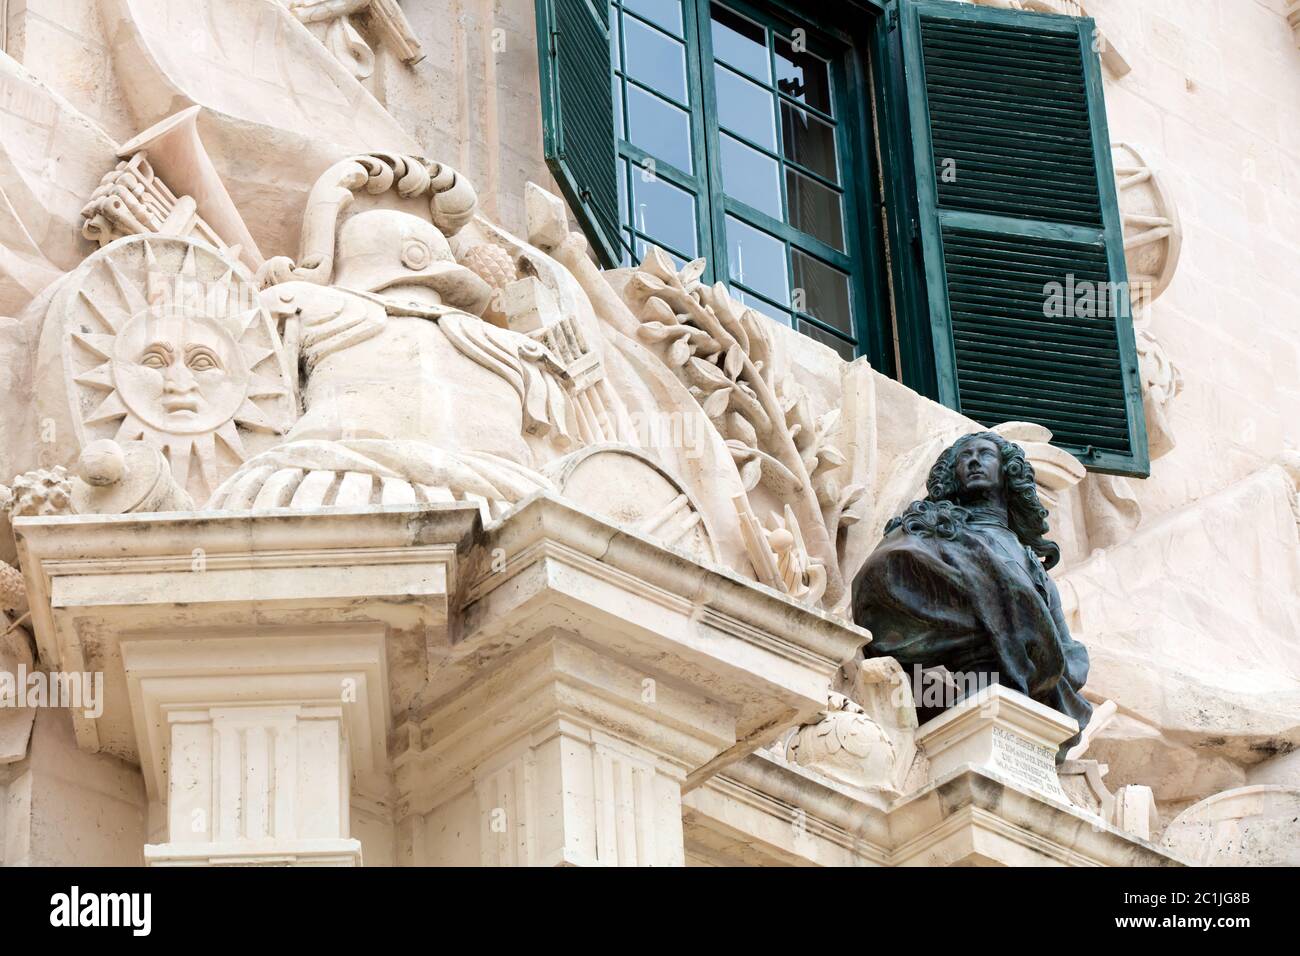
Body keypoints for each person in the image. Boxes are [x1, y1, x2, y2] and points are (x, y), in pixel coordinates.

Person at [851, 431, 1091, 757]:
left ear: (1009, 472)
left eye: (985, 454)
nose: (974, 461)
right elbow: (880, 575)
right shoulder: (931, 534)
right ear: (952, 473)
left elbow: (1068, 657)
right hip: (962, 690)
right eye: (965, 456)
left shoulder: (1036, 568)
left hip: (1015, 712)